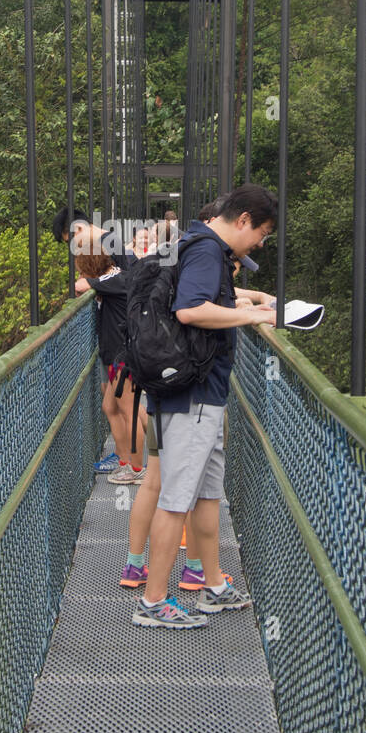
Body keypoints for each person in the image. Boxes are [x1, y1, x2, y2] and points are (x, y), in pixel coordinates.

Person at [132, 185, 279, 628]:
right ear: (244, 220)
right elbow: (191, 310)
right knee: (176, 499)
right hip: (191, 396)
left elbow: (206, 301)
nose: (260, 244)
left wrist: (248, 301)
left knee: (207, 493)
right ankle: (153, 603)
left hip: (202, 392)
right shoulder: (207, 252)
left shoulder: (195, 242)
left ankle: (212, 584)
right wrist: (254, 315)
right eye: (263, 233)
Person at [74, 247, 147, 484]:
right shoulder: (114, 279)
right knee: (110, 406)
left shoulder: (114, 278)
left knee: (130, 410)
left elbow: (80, 286)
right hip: (118, 354)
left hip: (123, 355)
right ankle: (125, 460)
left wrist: (89, 280)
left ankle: (137, 469)